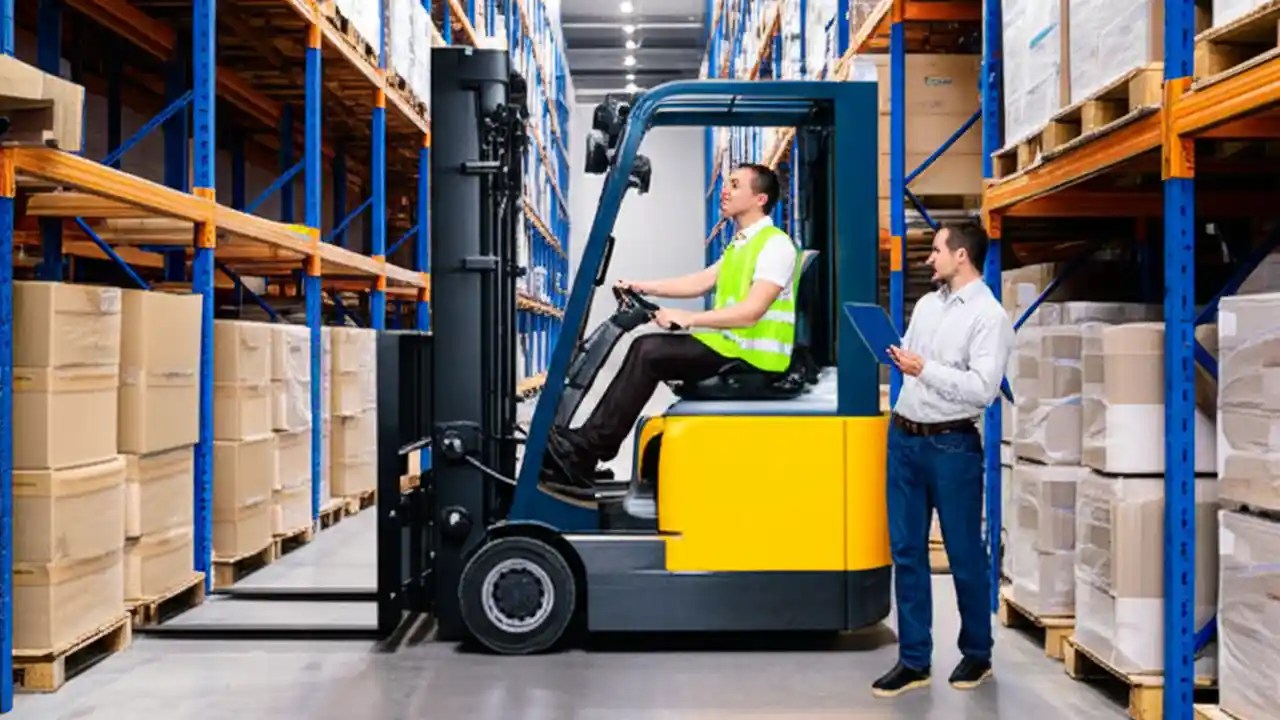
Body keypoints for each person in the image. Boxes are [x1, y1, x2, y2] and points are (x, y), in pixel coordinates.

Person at [545, 162, 800, 489]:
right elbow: (700, 281)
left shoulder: (774, 245)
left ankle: (587, 450)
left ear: (760, 198)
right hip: (731, 348)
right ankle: (588, 446)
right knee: (647, 349)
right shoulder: (742, 243)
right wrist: (643, 286)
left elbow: (752, 312)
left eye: (735, 185)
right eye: (726, 182)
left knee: (648, 350)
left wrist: (689, 318)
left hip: (754, 359)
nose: (726, 189)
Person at [872, 220, 1014, 698]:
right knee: (907, 552)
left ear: (961, 257)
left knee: (963, 554)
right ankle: (914, 660)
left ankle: (977, 654)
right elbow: (912, 361)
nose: (928, 259)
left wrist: (923, 369)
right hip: (905, 438)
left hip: (952, 446)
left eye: (936, 251)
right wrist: (900, 358)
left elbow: (983, 389)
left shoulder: (989, 317)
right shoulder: (928, 305)